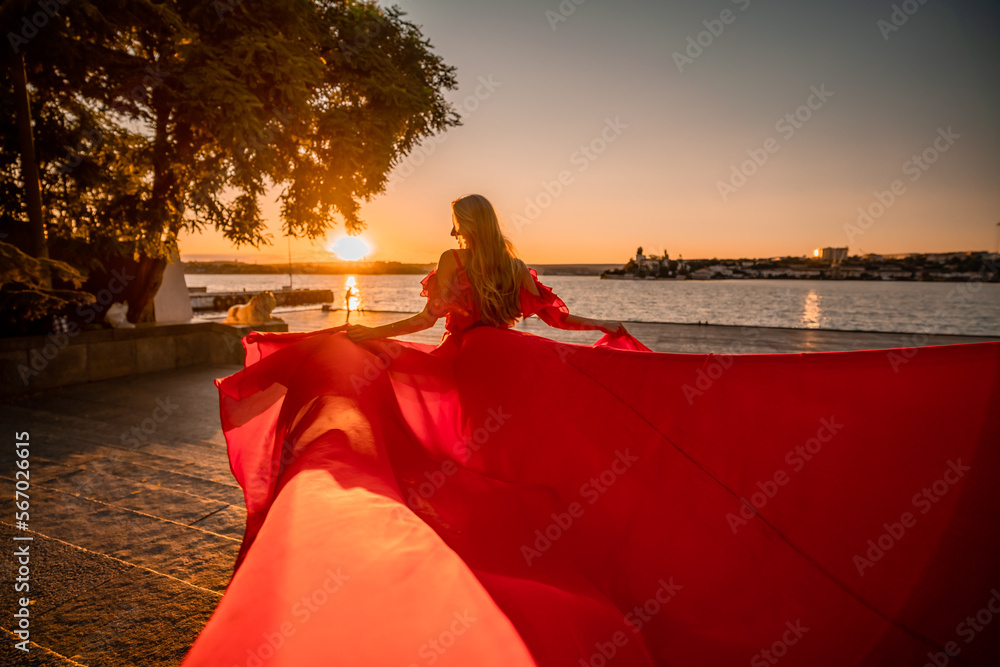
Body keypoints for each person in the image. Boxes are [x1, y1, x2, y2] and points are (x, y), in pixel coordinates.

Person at [182, 195, 1000, 667]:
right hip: (519, 361)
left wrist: (360, 336)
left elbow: (431, 320)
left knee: (476, 466)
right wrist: (600, 325)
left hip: (473, 362)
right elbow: (554, 313)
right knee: (531, 465)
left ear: (460, 225)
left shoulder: (455, 261)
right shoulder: (513, 262)